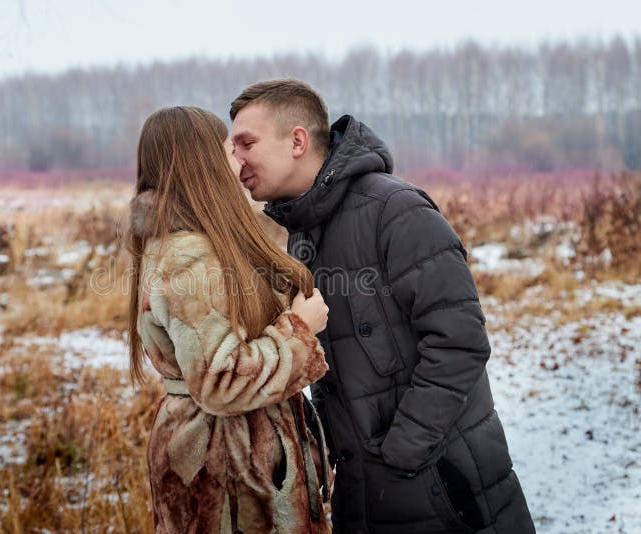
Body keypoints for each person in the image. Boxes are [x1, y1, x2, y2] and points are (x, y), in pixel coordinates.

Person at [230, 79, 535, 533]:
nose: (236, 160)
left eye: (246, 143)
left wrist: (401, 454)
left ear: (296, 140)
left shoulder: (396, 210)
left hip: (443, 493)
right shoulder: (303, 233)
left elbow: (460, 342)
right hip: (365, 498)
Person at [127, 106, 332, 533]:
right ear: (201, 162)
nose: (238, 160)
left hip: (229, 457)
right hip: (226, 467)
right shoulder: (189, 258)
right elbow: (220, 382)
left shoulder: (190, 244)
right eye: (228, 149)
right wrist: (299, 330)